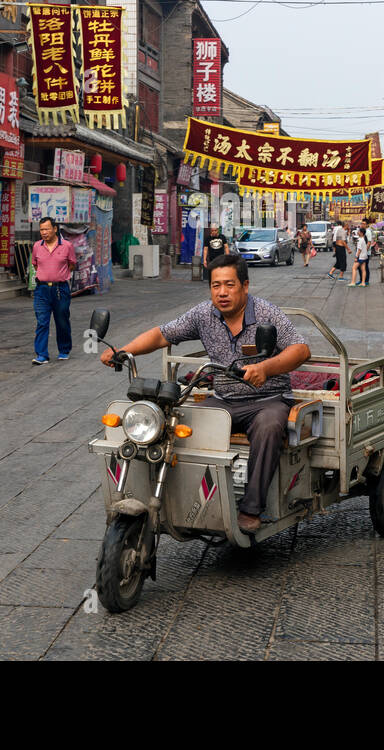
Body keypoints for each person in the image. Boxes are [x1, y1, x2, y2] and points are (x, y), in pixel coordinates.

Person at [101, 255, 311, 534]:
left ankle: (251, 509)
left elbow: (300, 350)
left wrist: (266, 367)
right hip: (222, 401)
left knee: (270, 426)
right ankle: (185, 499)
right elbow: (163, 334)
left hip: (267, 400)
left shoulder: (266, 314)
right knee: (178, 426)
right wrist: (124, 351)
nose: (222, 292)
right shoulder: (203, 315)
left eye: (229, 285)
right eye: (215, 286)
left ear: (245, 286)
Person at [31, 216, 77, 366]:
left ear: (55, 229)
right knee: (42, 322)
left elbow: (72, 264)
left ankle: (64, 350)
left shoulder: (67, 246)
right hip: (41, 290)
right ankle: (42, 355)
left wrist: (59, 275)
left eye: (47, 229)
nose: (44, 232)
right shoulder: (37, 246)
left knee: (62, 320)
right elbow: (36, 265)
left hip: (60, 289)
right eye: (41, 229)